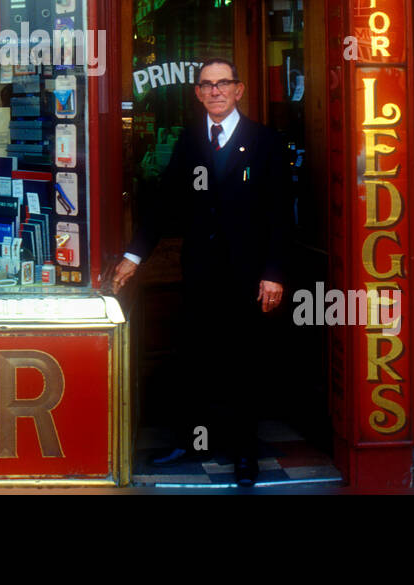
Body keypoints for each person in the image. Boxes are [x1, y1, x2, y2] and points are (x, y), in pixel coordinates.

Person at [111, 57, 296, 486]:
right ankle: (192, 443)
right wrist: (134, 255)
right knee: (194, 359)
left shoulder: (265, 142)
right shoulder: (191, 140)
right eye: (206, 85)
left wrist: (274, 273)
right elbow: (164, 203)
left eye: (223, 83)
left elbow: (280, 216)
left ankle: (244, 454)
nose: (215, 91)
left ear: (239, 90)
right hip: (199, 273)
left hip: (249, 277)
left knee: (243, 365)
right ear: (197, 93)